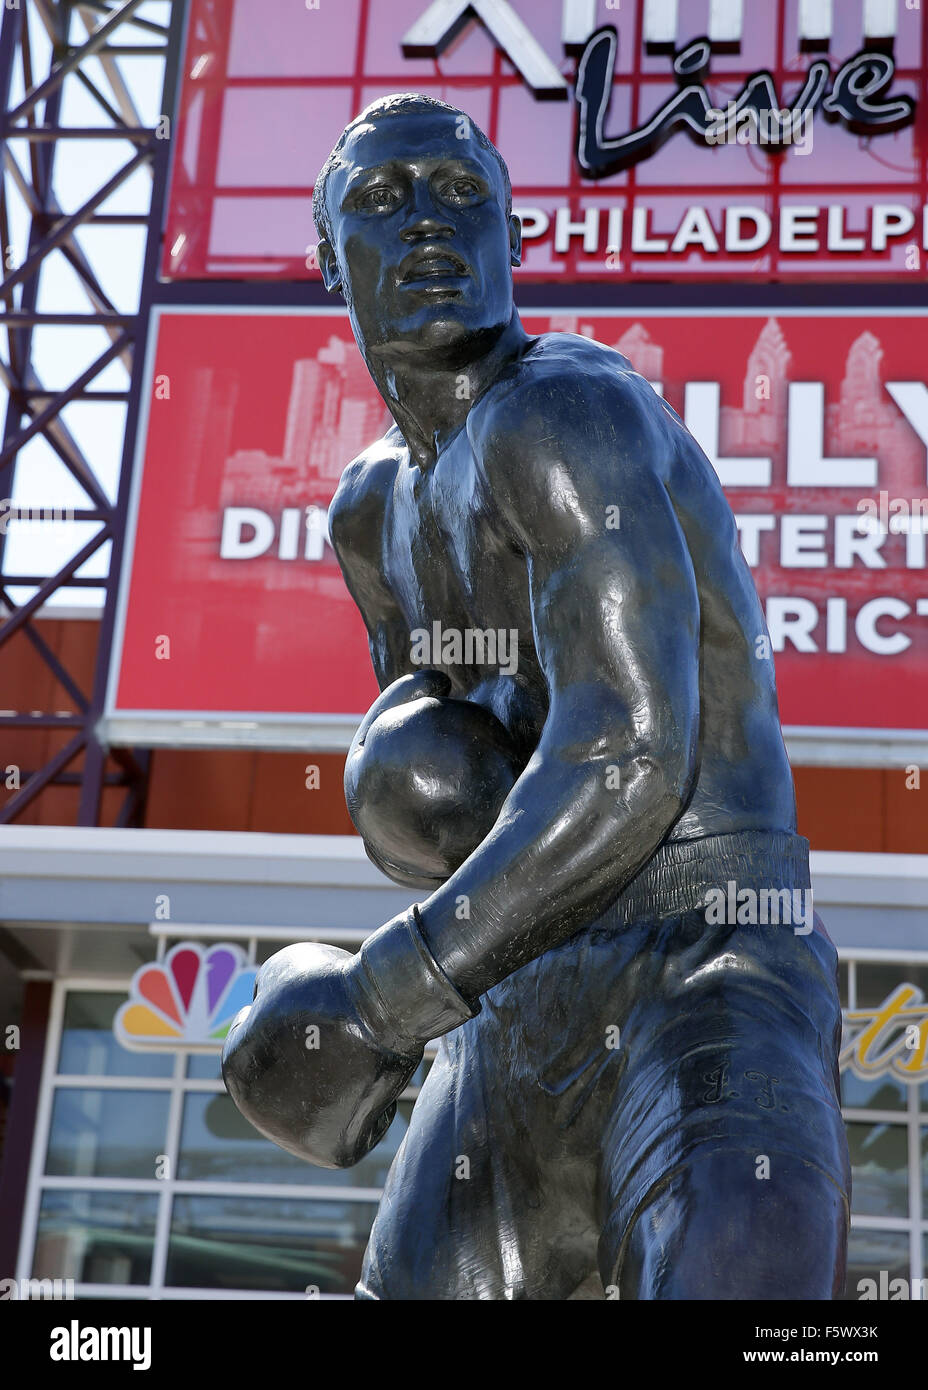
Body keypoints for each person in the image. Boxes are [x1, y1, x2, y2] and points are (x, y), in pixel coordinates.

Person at [222, 93, 851, 1301]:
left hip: (704, 950)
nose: (426, 223)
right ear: (329, 262)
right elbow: (454, 792)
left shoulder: (565, 411)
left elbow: (628, 757)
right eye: (381, 200)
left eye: (463, 196)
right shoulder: (369, 511)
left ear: (512, 236)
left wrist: (377, 998)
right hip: (518, 977)